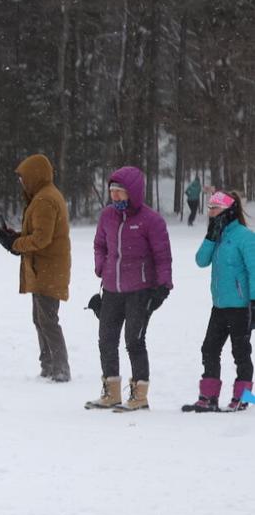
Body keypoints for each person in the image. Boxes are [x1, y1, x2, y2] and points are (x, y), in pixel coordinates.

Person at [85, 166, 172, 412]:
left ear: (132, 192)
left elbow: (163, 256)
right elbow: (99, 245)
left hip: (140, 290)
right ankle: (111, 392)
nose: (115, 197)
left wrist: (163, 286)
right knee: (106, 340)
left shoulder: (151, 220)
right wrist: (101, 266)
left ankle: (139, 396)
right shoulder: (107, 216)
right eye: (112, 191)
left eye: (120, 192)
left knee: (134, 341)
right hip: (112, 289)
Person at [0, 154, 71, 382]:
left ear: (35, 176)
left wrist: (14, 244)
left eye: (23, 178)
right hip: (42, 268)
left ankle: (60, 369)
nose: (21, 182)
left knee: (47, 319)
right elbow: (37, 233)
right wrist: (13, 236)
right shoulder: (40, 197)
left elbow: (41, 238)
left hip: (48, 269)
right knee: (40, 319)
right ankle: (48, 366)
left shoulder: (45, 199)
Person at [182, 191, 255, 412]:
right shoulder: (217, 235)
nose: (210, 212)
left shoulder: (245, 236)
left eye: (215, 208)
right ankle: (208, 397)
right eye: (209, 208)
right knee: (209, 349)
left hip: (241, 307)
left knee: (241, 352)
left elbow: (254, 270)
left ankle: (245, 398)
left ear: (228, 211)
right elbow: (200, 261)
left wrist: (253, 301)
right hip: (220, 306)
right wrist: (210, 236)